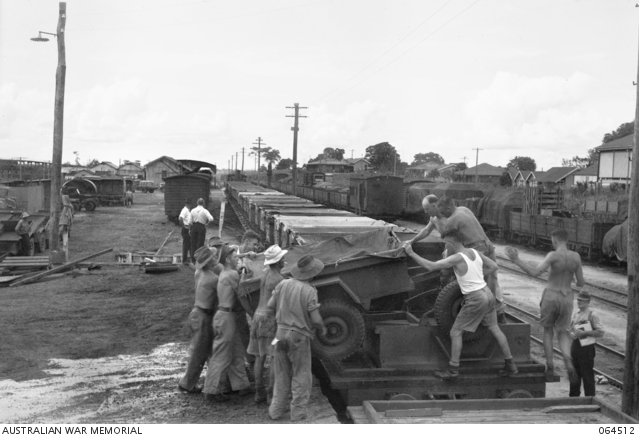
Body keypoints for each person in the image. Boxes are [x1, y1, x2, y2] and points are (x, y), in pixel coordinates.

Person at [403, 229, 518, 380]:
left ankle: (453, 370)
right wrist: (476, 277)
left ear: (451, 243)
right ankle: (511, 365)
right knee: (495, 328)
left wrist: (411, 253)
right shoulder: (474, 252)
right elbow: (493, 267)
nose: (446, 248)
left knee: (455, 332)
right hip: (487, 293)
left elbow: (431, 266)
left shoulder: (457, 258)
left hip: (476, 298)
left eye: (446, 244)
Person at [505, 228, 585, 382]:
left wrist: (516, 259)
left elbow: (534, 272)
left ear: (554, 240)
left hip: (551, 295)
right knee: (562, 332)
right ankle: (568, 361)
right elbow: (581, 282)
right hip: (567, 297)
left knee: (548, 331)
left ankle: (550, 367)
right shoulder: (576, 257)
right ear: (567, 240)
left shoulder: (553, 256)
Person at [267, 255, 327, 422]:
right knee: (301, 374)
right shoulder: (309, 291)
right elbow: (315, 319)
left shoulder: (283, 283)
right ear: (312, 273)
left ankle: (275, 411)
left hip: (279, 335)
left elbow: (270, 305)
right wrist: (322, 329)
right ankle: (298, 414)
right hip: (298, 337)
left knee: (281, 374)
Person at [437, 196, 507, 323]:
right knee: (492, 280)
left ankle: (481, 314)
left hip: (478, 248)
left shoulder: (452, 220)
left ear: (448, 208)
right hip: (489, 245)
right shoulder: (464, 209)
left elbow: (450, 243)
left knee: (474, 282)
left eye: (443, 213)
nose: (443, 216)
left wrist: (446, 266)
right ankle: (498, 312)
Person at [202, 245, 252, 402]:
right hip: (227, 317)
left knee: (237, 351)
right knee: (221, 356)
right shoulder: (231, 274)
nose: (237, 257)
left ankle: (242, 385)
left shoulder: (226, 272)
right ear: (227, 259)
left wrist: (241, 269)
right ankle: (210, 390)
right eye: (234, 256)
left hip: (224, 316)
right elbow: (242, 293)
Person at [247, 245, 287, 404]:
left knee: (259, 357)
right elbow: (280, 305)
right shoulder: (279, 280)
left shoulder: (264, 274)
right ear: (278, 261)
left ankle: (259, 392)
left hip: (257, 316)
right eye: (282, 258)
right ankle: (271, 394)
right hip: (269, 319)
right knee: (273, 356)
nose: (284, 261)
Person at [178, 246, 219, 394]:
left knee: (199, 349)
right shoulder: (214, 279)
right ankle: (187, 383)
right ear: (208, 262)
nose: (216, 259)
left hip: (195, 312)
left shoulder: (198, 272)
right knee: (199, 352)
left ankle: (198, 381)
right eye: (213, 258)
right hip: (204, 316)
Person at [569, 291, 604, 397]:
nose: (579, 302)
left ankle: (590, 398)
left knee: (587, 375)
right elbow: (571, 328)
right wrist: (571, 334)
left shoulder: (592, 315)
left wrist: (584, 333)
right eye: (578, 300)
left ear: (588, 301)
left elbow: (600, 332)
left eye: (582, 300)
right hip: (575, 346)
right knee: (574, 373)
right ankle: (574, 398)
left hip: (587, 348)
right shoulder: (576, 314)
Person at [179, 199, 193, 266]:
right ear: (188, 204)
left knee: (189, 244)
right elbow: (180, 218)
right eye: (190, 204)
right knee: (186, 245)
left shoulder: (187, 210)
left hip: (188, 229)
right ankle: (184, 260)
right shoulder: (184, 210)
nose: (191, 205)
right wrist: (184, 226)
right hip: (186, 229)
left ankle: (190, 259)